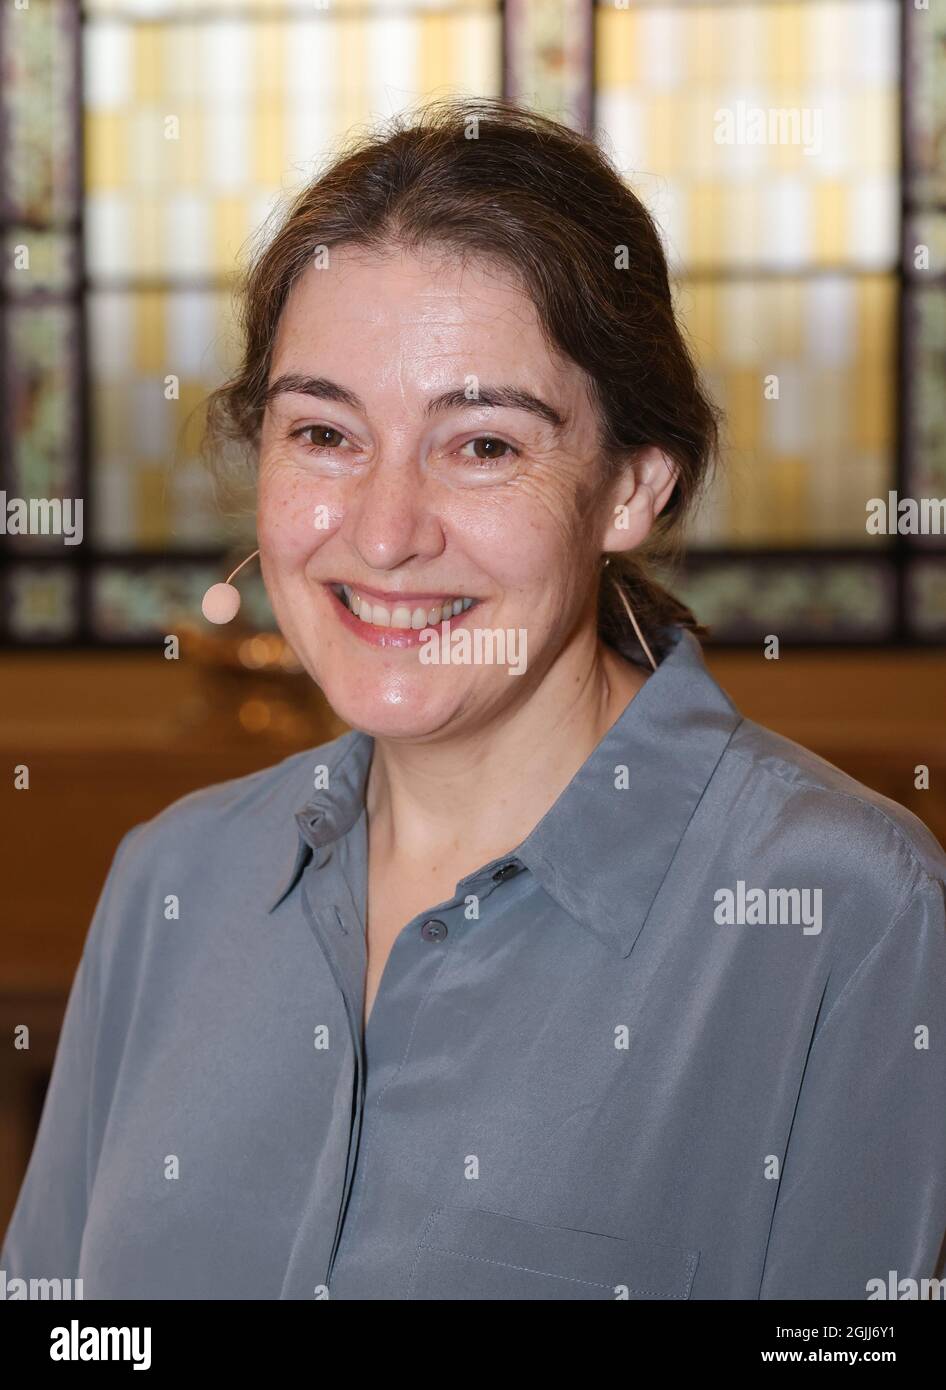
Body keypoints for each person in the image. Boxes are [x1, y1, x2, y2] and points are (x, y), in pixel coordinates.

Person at [3, 98, 945, 1301]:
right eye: (325, 432)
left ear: (631, 489)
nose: (385, 534)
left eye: (484, 444)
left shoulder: (844, 909)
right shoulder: (167, 879)